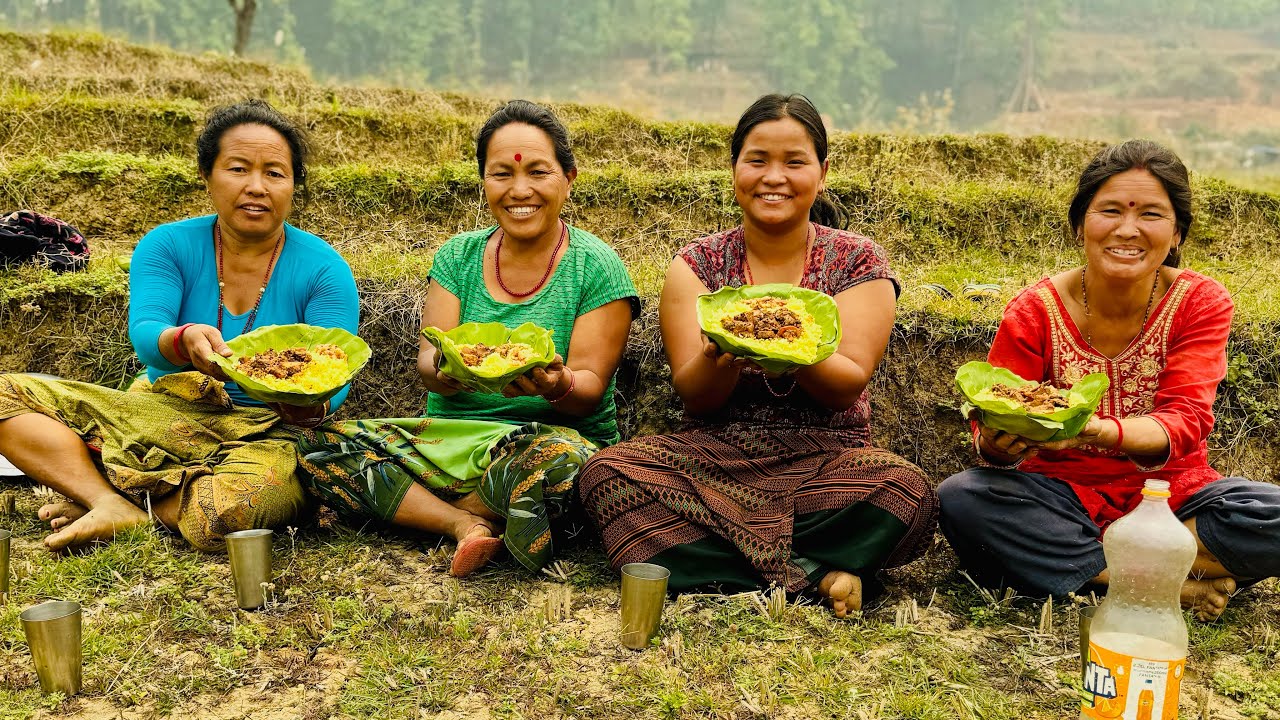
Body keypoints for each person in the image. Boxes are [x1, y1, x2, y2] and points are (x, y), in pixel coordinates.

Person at [577, 94, 938, 618]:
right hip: (711, 462)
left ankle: (727, 568)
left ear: (822, 173)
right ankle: (812, 573)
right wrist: (720, 354)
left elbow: (846, 386)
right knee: (606, 475)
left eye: (794, 162)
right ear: (734, 169)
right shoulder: (696, 265)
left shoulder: (858, 261)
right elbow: (696, 398)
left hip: (825, 463)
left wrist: (789, 345)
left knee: (906, 492)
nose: (774, 177)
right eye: (758, 160)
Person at [937, 139, 1280, 621]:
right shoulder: (1035, 310)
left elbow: (1186, 419)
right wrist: (998, 442)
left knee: (1269, 513)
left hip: (1172, 496)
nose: (1127, 229)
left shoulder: (1200, 302)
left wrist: (1096, 430)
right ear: (1081, 224)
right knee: (963, 499)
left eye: (1151, 215)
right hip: (1062, 497)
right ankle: (1171, 582)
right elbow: (992, 425)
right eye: (1111, 210)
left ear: (1177, 233)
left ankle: (1096, 568)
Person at [297, 100, 639, 577]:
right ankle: (465, 521)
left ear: (568, 178)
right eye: (502, 174)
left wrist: (556, 384)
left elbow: (589, 391)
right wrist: (450, 370)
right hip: (448, 443)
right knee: (317, 447)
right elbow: (428, 365)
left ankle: (424, 504)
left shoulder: (597, 267)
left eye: (538, 172)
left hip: (545, 444)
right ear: (484, 181)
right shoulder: (458, 257)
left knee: (565, 466)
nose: (520, 190)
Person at [0, 99, 359, 552]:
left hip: (269, 432)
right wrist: (182, 339)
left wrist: (305, 406)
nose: (256, 186)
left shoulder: (325, 269)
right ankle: (107, 501)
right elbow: (147, 332)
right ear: (207, 175)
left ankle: (121, 496)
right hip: (164, 409)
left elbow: (338, 369)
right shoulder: (168, 245)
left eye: (274, 173)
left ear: (293, 185)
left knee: (229, 515)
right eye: (238, 169)